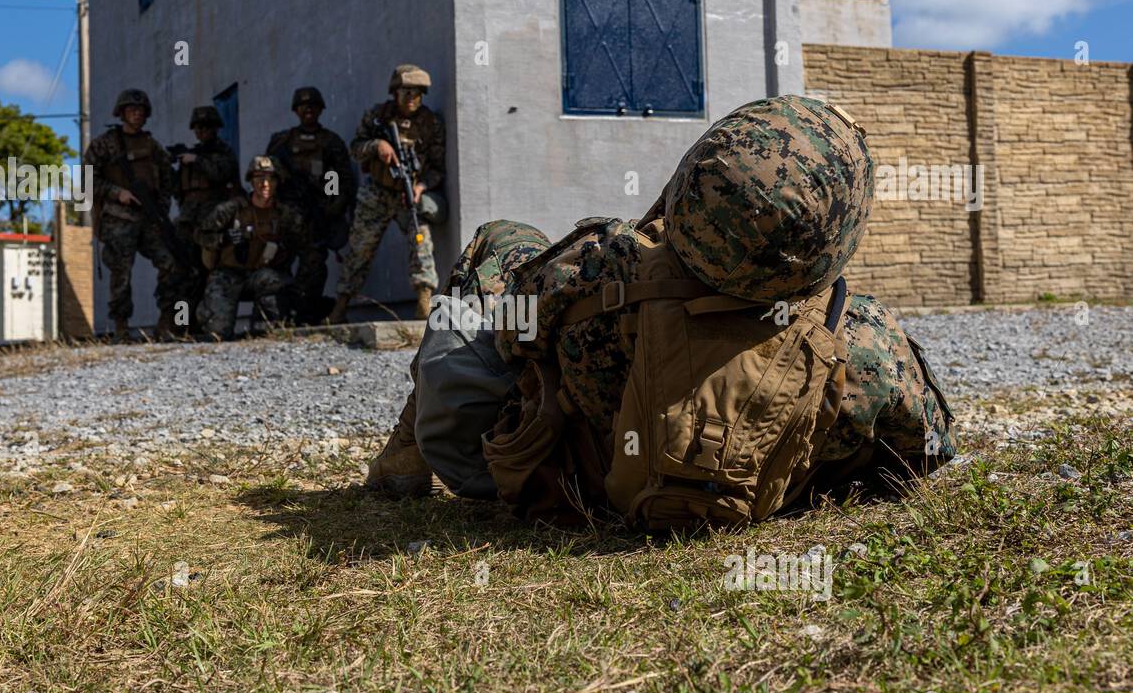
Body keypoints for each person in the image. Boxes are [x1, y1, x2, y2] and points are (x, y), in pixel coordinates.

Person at [364, 95, 957, 531]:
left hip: (568, 493)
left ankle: (404, 456)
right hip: (710, 501)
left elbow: (511, 337)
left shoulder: (596, 266)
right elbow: (925, 450)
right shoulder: (863, 344)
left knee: (500, 239)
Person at [328, 64, 446, 324]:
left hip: (408, 195)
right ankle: (341, 306)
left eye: (418, 93)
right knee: (359, 249)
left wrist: (420, 187)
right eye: (407, 92)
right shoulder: (378, 116)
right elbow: (355, 148)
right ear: (395, 93)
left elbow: (437, 168)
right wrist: (377, 145)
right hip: (376, 193)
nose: (412, 98)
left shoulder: (431, 124)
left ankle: (424, 301)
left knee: (420, 240)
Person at [83, 89, 184, 341]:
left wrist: (161, 209)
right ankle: (121, 329)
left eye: (140, 111)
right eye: (131, 110)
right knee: (121, 273)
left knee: (171, 263)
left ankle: (165, 323)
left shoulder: (151, 145)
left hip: (148, 220)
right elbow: (86, 180)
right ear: (121, 113)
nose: (136, 115)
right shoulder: (105, 144)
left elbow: (167, 178)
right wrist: (117, 193)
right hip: (119, 218)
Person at [266, 87, 355, 324]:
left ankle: (304, 314)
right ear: (296, 110)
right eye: (303, 107)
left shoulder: (331, 142)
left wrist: (334, 208)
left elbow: (344, 179)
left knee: (314, 265)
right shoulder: (281, 141)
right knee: (274, 263)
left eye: (313, 106)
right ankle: (275, 315)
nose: (308, 111)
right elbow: (267, 175)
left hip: (316, 215)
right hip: (285, 217)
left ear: (321, 110)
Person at [195, 155, 308, 340]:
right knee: (217, 336)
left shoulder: (285, 214)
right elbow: (200, 235)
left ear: (278, 181)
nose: (265, 184)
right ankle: (207, 311)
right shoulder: (231, 209)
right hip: (228, 275)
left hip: (261, 275)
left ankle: (262, 328)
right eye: (259, 178)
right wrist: (223, 238)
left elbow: (303, 244)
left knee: (275, 283)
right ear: (251, 181)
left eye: (271, 178)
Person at [173, 105, 243, 334]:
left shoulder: (224, 153)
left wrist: (197, 161)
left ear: (216, 128)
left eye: (207, 127)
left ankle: (209, 324)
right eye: (198, 127)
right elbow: (178, 190)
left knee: (210, 273)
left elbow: (221, 174)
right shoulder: (189, 156)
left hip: (213, 224)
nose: (202, 131)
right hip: (188, 223)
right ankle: (182, 325)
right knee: (184, 276)